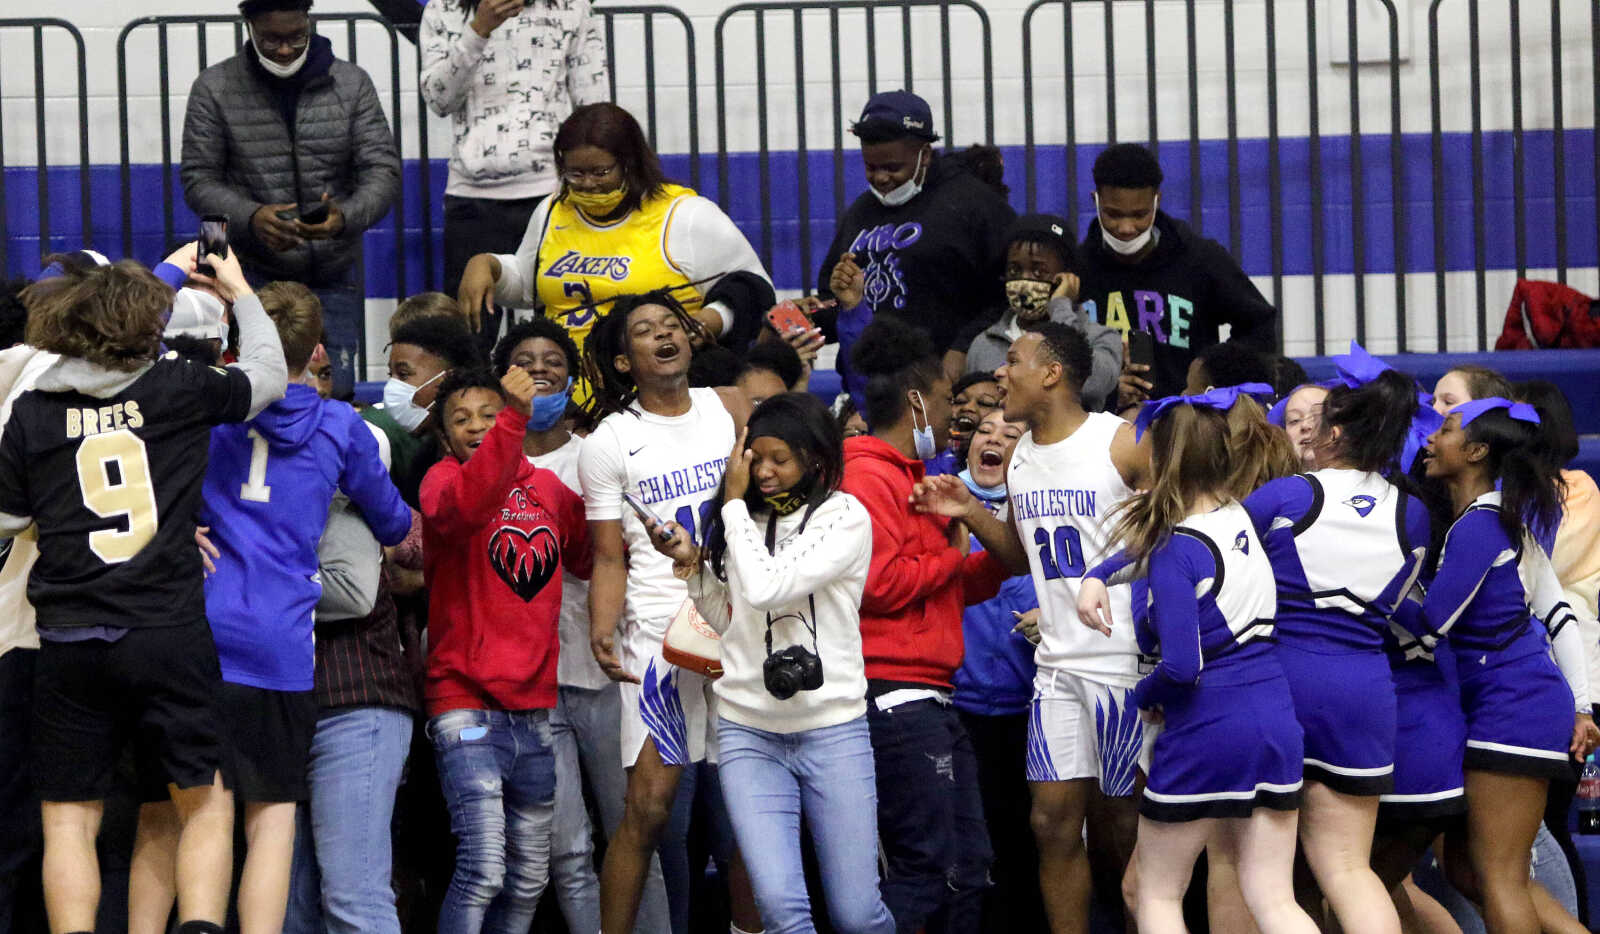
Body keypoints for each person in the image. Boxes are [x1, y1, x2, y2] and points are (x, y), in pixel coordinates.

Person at [0, 245, 287, 934]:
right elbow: (269, 375)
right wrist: (241, 289)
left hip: (67, 636)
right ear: (149, 326)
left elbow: (9, 524)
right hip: (166, 628)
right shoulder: (177, 385)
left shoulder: (33, 409)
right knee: (203, 801)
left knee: (69, 816)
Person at [129, 275, 412, 934]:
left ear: (236, 343)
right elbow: (395, 524)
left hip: (194, 629)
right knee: (272, 815)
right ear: (317, 348)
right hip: (279, 645)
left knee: (174, 811)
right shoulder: (342, 424)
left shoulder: (204, 406)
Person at [909, 321, 1153, 934]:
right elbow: (1021, 556)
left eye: (1012, 361)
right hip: (1056, 669)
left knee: (1123, 827)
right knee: (1049, 823)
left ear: (1052, 373)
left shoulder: (1121, 441)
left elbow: (1171, 531)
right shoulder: (1021, 458)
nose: (999, 371)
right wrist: (968, 510)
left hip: (1122, 664)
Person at [644, 392, 896, 934]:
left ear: (815, 458)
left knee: (857, 915)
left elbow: (767, 586)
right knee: (781, 912)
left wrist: (731, 507)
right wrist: (693, 565)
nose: (763, 472)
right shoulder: (743, 522)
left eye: (779, 458)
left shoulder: (844, 515)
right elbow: (732, 614)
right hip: (747, 734)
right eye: (754, 457)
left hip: (833, 731)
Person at [1080, 393, 1318, 934]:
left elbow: (1183, 668)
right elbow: (1154, 542)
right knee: (1274, 898)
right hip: (1276, 717)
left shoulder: (1175, 550)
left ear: (1162, 460)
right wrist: (1102, 573)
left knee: (1156, 894)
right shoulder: (1243, 515)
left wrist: (1141, 698)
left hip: (1209, 724)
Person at [576, 291, 761, 934]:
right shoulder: (609, 442)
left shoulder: (731, 406)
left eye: (670, 325)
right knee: (649, 809)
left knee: (747, 809)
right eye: (644, 330)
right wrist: (603, 630)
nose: (662, 335)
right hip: (661, 633)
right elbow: (608, 556)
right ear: (624, 362)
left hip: (740, 625)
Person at [1235, 369, 1437, 934]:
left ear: (1334, 434)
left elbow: (1220, 569)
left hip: (1281, 682)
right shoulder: (1412, 512)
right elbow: (1402, 601)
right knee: (1348, 869)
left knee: (1252, 873)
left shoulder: (1287, 494)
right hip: (1366, 692)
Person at [491, 317, 671, 933]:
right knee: (564, 850)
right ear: (501, 376)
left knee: (634, 830)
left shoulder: (599, 450)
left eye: (555, 362)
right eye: (524, 359)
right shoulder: (487, 458)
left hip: (607, 673)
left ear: (575, 378)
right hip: (529, 684)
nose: (541, 370)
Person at [1402, 398, 1599, 934]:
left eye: (1444, 429)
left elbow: (1431, 623)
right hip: (1516, 705)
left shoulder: (1482, 526)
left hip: (1511, 708)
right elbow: (1557, 612)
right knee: (1471, 871)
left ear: (1476, 451)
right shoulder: (1499, 520)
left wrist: (1356, 599)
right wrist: (1580, 705)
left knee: (1500, 877)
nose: (1428, 439)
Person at [840, 316, 1007, 934]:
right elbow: (878, 585)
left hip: (930, 698)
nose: (948, 416)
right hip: (894, 700)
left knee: (969, 868)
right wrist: (951, 554)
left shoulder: (913, 477)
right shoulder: (863, 476)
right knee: (925, 871)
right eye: (943, 399)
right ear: (916, 400)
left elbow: (948, 582)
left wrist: (980, 543)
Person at [421, 364, 593, 933]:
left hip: (535, 711)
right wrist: (512, 422)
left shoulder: (546, 489)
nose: (476, 427)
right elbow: (467, 509)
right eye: (461, 420)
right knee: (484, 869)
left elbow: (594, 554)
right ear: (444, 436)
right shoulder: (441, 481)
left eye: (489, 415)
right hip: (464, 706)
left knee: (527, 878)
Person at [180, 0, 401, 398]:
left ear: (309, 23)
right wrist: (251, 218)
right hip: (248, 276)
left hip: (333, 271)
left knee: (335, 393)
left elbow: (382, 172)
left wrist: (344, 217)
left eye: (296, 37)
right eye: (271, 40)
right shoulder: (214, 87)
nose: (284, 50)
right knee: (252, 390)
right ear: (248, 26)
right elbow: (198, 181)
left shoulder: (352, 83)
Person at [458, 102, 773, 372]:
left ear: (629, 163)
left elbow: (755, 287)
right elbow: (529, 287)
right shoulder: (552, 210)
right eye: (575, 174)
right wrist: (487, 265)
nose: (588, 184)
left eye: (601, 172)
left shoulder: (686, 215)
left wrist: (714, 318)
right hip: (563, 389)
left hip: (654, 388)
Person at [420, 0, 608, 312]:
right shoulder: (444, 8)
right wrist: (479, 30)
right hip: (472, 195)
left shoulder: (571, 6)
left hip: (553, 194)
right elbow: (439, 99)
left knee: (562, 319)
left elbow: (595, 108)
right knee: (469, 336)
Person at [820, 90, 1016, 382]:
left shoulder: (975, 205)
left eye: (893, 167)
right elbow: (833, 301)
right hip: (871, 387)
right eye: (871, 167)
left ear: (924, 154)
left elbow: (1008, 294)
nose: (881, 178)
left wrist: (963, 347)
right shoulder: (860, 212)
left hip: (945, 383)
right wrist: (809, 315)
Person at [1074, 143, 1277, 408]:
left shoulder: (1200, 258)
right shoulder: (1076, 267)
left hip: (1191, 424)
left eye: (1139, 214)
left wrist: (1214, 384)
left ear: (1157, 200)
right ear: (1096, 199)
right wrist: (1104, 389)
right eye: (1113, 214)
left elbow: (1259, 323)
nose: (1126, 227)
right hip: (1103, 428)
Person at [948, 409, 1047, 934]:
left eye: (1010, 435)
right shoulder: (940, 501)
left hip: (1028, 706)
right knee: (964, 845)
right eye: (983, 431)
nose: (993, 440)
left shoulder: (1039, 503)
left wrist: (1050, 620)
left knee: (1022, 840)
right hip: (955, 705)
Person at [964, 214, 1121, 412]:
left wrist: (1060, 306)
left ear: (1067, 276)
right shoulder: (984, 343)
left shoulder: (1101, 337)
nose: (1024, 280)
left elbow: (1092, 385)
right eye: (1014, 270)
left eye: (1039, 271)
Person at [370, 313, 483, 505]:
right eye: (391, 374)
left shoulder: (481, 450)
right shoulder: (423, 459)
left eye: (404, 375)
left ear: (448, 379)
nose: (392, 386)